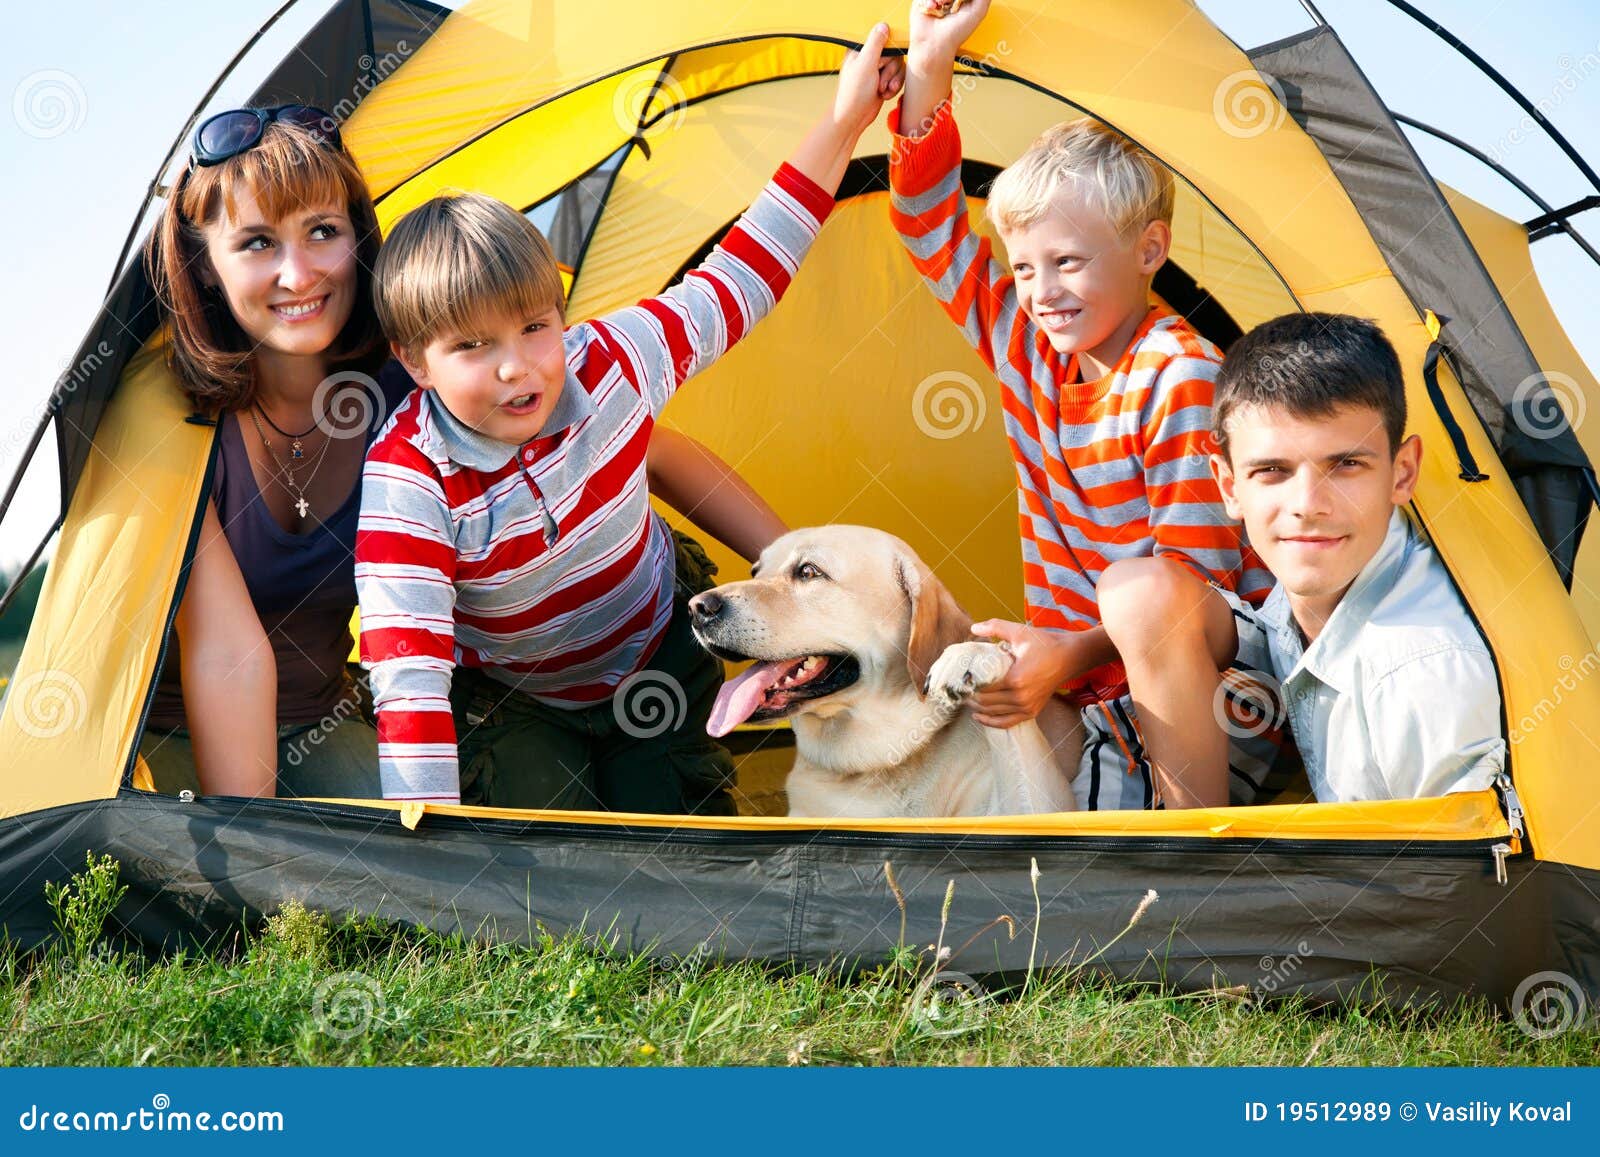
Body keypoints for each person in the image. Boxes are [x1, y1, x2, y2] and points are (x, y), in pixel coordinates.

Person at [139, 105, 792, 800]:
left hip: (326, 715)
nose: (298, 274)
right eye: (257, 244)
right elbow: (231, 656)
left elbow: (643, 449)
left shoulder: (419, 387)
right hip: (169, 733)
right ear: (205, 264)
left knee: (463, 861)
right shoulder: (173, 416)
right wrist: (255, 849)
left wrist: (797, 567)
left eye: (322, 232)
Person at [355, 26, 907, 811]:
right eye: (473, 346)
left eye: (535, 328)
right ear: (415, 361)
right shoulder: (410, 474)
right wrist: (434, 851)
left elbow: (744, 276)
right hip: (518, 692)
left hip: (654, 650)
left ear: (561, 314)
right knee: (538, 870)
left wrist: (846, 121)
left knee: (680, 843)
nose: (518, 366)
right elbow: (407, 667)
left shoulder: (609, 360)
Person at [887, 0, 1276, 809]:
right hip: (1095, 695)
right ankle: (1090, 851)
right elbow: (929, 227)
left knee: (1142, 593)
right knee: (967, 684)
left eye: (1067, 261)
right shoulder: (1028, 349)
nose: (1041, 292)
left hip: (1212, 697)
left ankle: (1194, 853)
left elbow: (1183, 594)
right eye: (1024, 269)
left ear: (1148, 251)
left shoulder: (1179, 376)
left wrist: (1063, 657)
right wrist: (928, 70)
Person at [1210, 313, 1505, 801]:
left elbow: (1445, 879)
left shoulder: (1418, 675)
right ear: (1229, 486)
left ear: (1402, 472)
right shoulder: (1285, 609)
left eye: (1346, 465)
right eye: (1271, 470)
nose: (1308, 504)